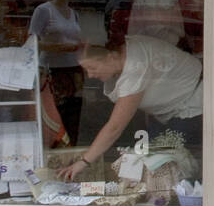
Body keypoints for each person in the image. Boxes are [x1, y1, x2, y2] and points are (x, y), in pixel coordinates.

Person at [58, 34, 203, 182]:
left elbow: (115, 127)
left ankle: (183, 194)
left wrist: (84, 161)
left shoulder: (134, 68)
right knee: (144, 157)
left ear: (111, 56)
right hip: (169, 112)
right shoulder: (128, 51)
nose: (90, 74)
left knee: (158, 163)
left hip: (191, 106)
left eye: (92, 67)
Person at [28, 0, 85, 145]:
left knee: (73, 117)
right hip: (52, 72)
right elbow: (31, 43)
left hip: (74, 71)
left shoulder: (74, 13)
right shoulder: (44, 10)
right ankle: (53, 156)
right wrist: (56, 47)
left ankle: (70, 155)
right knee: (53, 118)